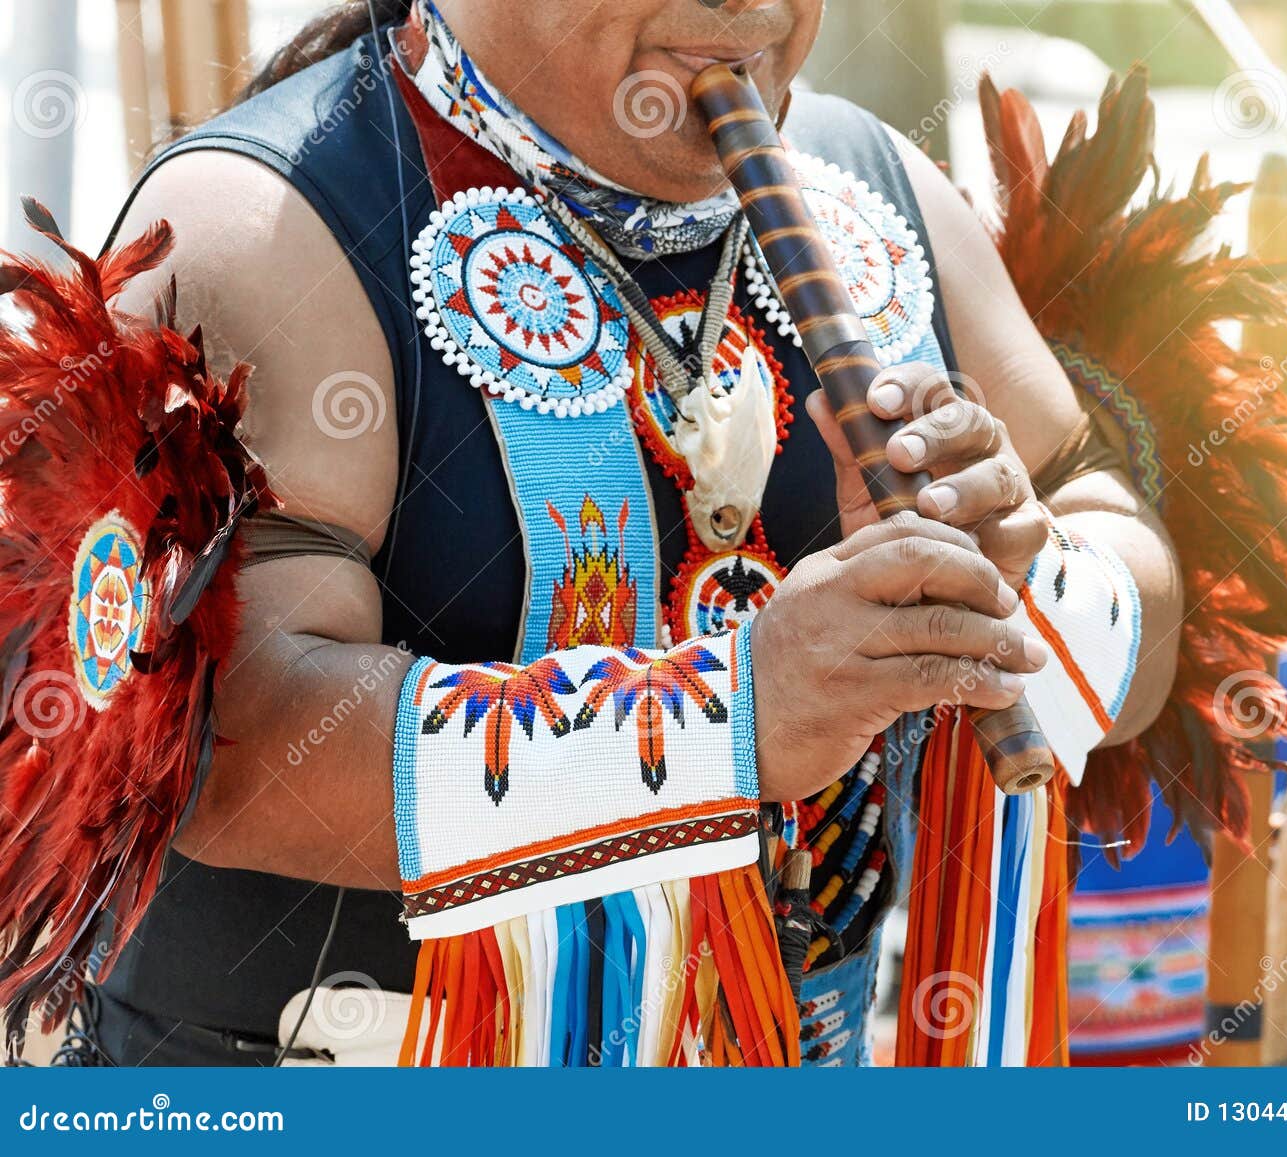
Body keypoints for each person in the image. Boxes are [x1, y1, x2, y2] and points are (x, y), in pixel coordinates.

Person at [61, 0, 1180, 1066]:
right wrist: (728, 722)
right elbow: (229, 753)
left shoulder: (875, 189)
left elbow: (1120, 556)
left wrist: (1033, 575)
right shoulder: (264, 221)